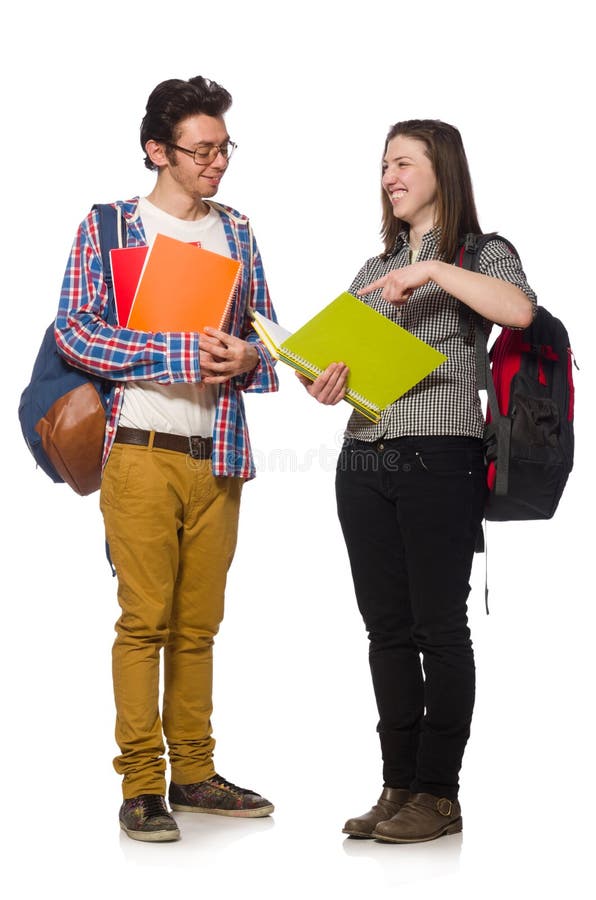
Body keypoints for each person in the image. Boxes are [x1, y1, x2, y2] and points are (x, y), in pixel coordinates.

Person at [298, 119, 536, 844]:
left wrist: (431, 271)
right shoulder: (373, 269)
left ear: (443, 171)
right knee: (387, 632)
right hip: (365, 459)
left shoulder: (482, 253)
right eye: (383, 166)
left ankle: (439, 794)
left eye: (403, 162)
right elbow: (331, 356)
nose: (389, 176)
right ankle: (397, 785)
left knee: (439, 629)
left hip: (443, 456)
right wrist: (324, 380)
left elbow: (519, 311)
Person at [55, 76, 278, 842]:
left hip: (217, 454)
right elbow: (76, 333)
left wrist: (247, 354)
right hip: (140, 452)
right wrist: (180, 347)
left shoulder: (238, 232)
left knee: (199, 625)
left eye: (225, 149)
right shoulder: (112, 226)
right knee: (144, 621)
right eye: (203, 150)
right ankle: (142, 786)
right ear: (159, 151)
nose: (218, 163)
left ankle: (196, 773)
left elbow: (273, 350)